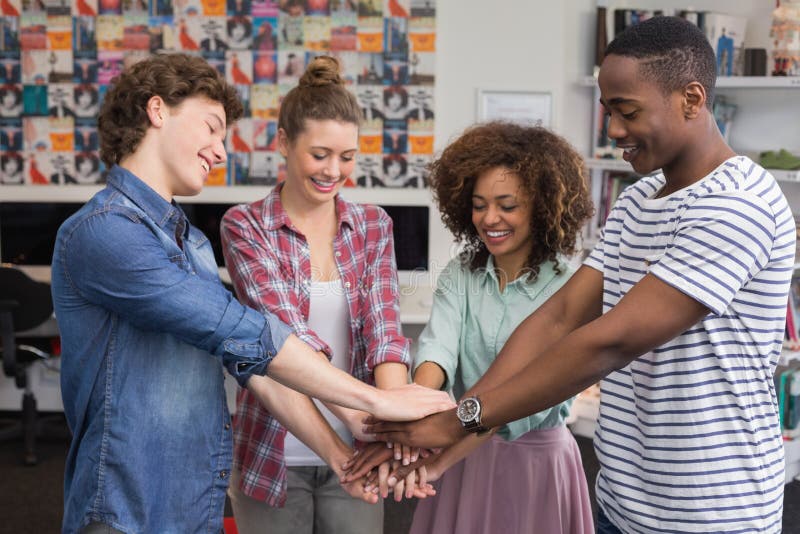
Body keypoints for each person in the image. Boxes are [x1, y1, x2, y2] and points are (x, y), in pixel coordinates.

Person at [360, 16, 795, 533]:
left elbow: (610, 342)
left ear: (692, 99)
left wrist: (457, 420)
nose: (612, 131)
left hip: (711, 515)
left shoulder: (736, 205)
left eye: (627, 111)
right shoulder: (636, 201)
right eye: (607, 110)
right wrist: (449, 435)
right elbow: (559, 317)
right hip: (620, 500)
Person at [50, 52, 453, 534]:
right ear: (157, 111)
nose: (221, 152)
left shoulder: (191, 243)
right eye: (212, 128)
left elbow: (253, 364)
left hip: (192, 499)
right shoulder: (104, 233)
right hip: (128, 506)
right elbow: (246, 331)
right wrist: (377, 402)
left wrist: (344, 456)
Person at [220, 55, 431, 534]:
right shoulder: (245, 226)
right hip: (274, 451)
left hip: (361, 445)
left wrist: (393, 433)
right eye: (320, 154)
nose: (334, 170)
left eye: (347, 157)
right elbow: (287, 340)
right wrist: (370, 412)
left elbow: (385, 335)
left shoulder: (374, 225)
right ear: (283, 143)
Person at [352, 122, 595, 534]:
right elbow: (437, 353)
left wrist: (434, 461)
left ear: (541, 205)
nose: (490, 218)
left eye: (507, 205)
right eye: (479, 204)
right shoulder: (460, 274)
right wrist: (410, 423)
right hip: (464, 456)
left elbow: (519, 400)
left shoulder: (570, 288)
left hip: (537, 463)